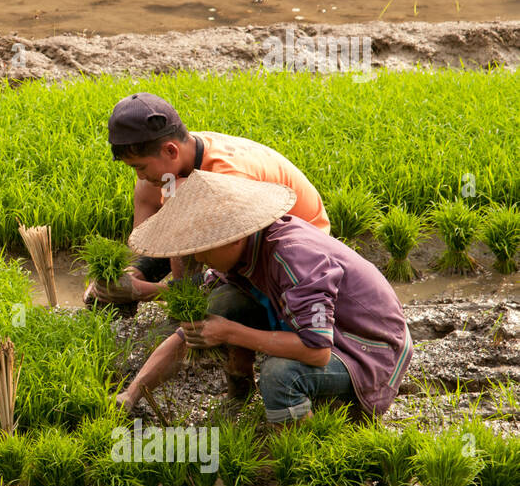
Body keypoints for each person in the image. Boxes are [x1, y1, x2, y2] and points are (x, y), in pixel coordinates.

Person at [116, 171, 412, 425]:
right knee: (223, 303)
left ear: (232, 237)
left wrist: (229, 332)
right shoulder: (242, 257)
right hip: (327, 334)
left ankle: (303, 458)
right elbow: (187, 334)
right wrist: (131, 394)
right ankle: (242, 397)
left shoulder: (295, 258)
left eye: (201, 248)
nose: (198, 258)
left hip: (370, 350)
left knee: (280, 375)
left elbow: (317, 351)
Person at [88, 92, 330, 305]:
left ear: (171, 150)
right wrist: (132, 275)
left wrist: (151, 292)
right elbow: (150, 240)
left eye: (140, 167)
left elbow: (232, 263)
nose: (139, 176)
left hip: (295, 258)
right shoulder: (169, 163)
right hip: (240, 245)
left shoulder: (228, 177)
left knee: (219, 306)